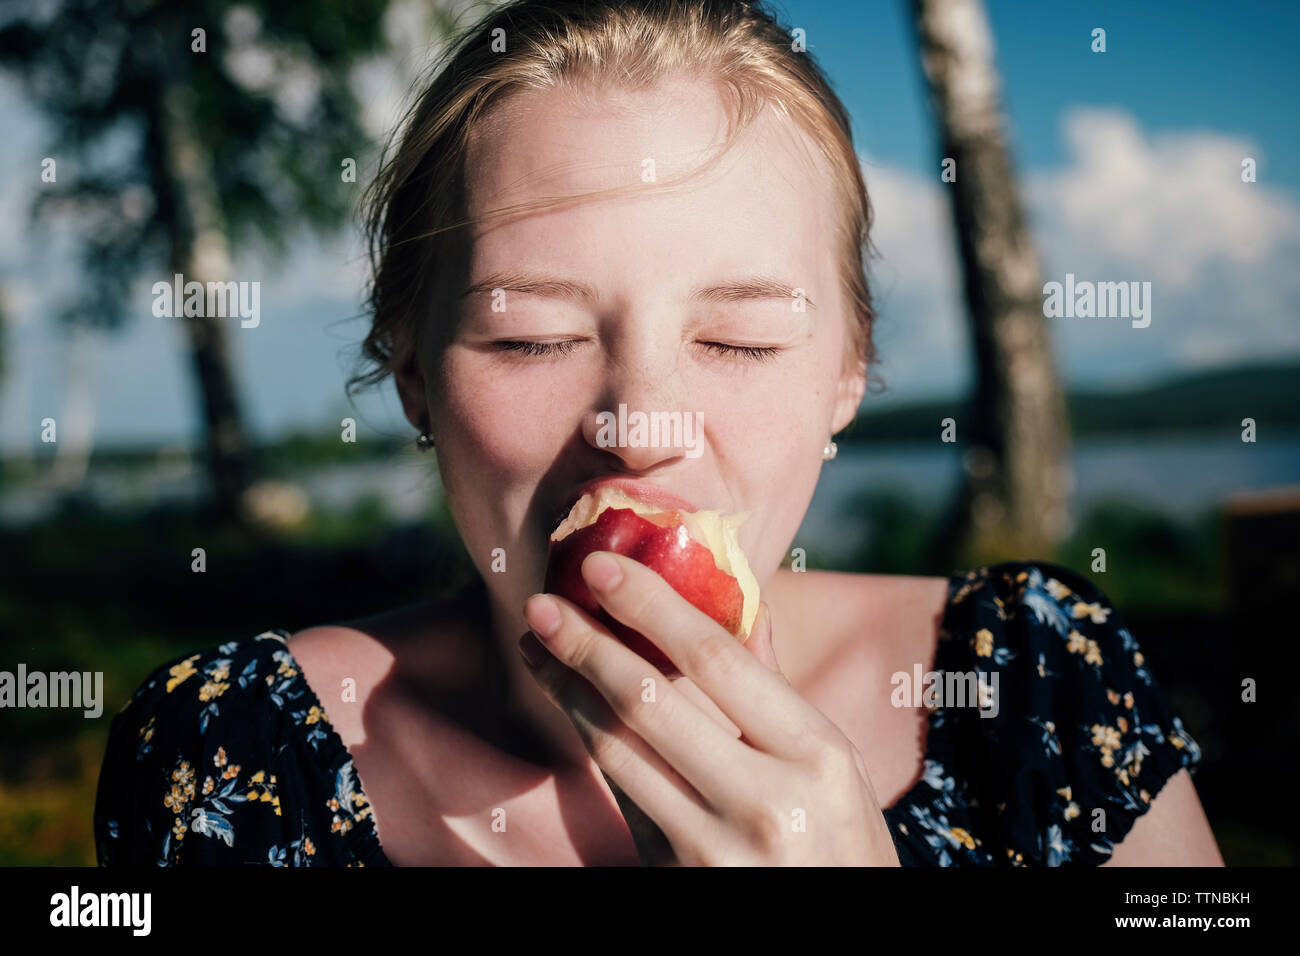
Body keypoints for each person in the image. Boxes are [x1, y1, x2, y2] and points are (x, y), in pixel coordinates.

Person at [93, 0, 1222, 867]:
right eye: (530, 337)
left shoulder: (1040, 684)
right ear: (413, 376)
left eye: (736, 339)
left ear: (848, 370)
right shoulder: (236, 757)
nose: (640, 426)